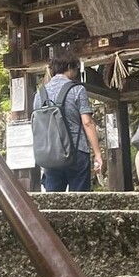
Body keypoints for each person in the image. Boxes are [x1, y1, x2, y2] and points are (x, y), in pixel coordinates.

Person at [33, 57, 103, 192]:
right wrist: (97, 153)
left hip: (51, 154)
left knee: (53, 200)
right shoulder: (77, 89)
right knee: (79, 200)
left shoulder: (39, 95)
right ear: (70, 68)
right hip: (76, 151)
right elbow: (87, 123)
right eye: (76, 69)